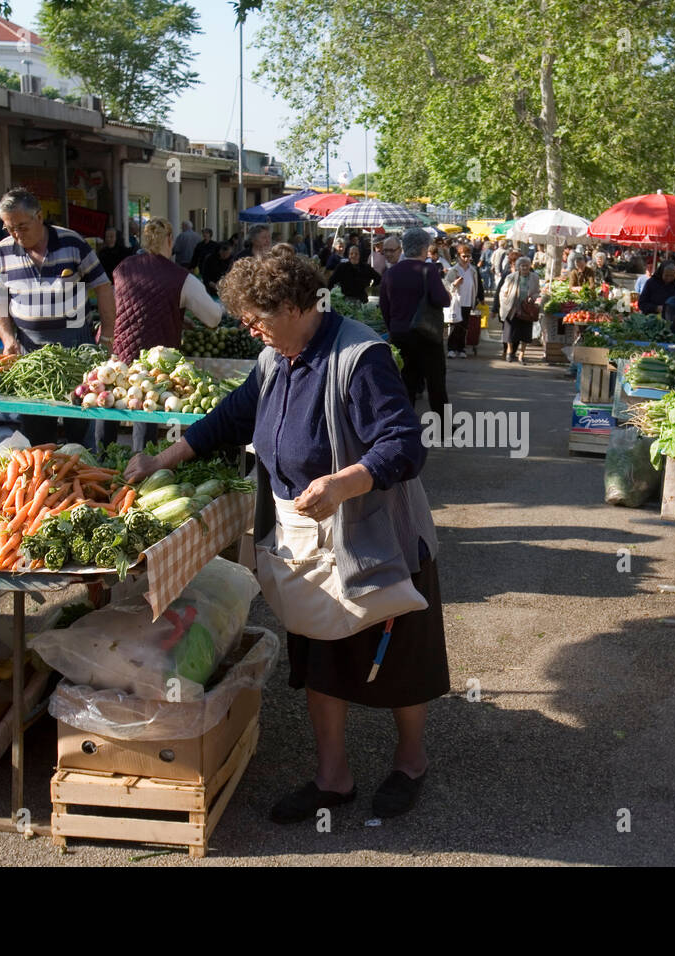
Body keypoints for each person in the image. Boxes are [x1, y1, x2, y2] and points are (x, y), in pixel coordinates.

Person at [122, 248, 447, 822]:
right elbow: (230, 417)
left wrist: (342, 484)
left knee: (396, 656)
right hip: (306, 538)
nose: (251, 330)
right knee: (320, 652)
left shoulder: (358, 356)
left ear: (296, 307)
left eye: (257, 319)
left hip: (376, 536)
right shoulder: (275, 360)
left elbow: (404, 444)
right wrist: (162, 461)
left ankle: (412, 762)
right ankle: (333, 777)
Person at [0, 187, 114, 446]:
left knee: (79, 424)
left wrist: (108, 336)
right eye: (9, 228)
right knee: (36, 432)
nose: (16, 234)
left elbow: (103, 287)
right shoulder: (1, 253)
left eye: (22, 226)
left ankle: (84, 477)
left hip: (76, 351)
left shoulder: (72, 243)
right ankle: (44, 481)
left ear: (40, 217)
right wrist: (8, 339)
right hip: (30, 354)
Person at [92, 217, 223, 453]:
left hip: (117, 349)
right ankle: (142, 464)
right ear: (170, 240)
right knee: (147, 405)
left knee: (108, 400)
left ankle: (102, 462)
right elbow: (213, 317)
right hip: (154, 359)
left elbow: (124, 304)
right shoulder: (181, 277)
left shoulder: (123, 267)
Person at [380, 227, 450, 410]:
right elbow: (441, 299)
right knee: (436, 383)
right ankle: (442, 425)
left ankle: (405, 425)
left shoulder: (390, 273)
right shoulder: (429, 270)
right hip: (427, 334)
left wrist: (392, 329)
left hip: (400, 334)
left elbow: (384, 306)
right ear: (423, 248)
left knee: (405, 383)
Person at [444, 242, 483, 358]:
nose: (466, 258)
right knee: (455, 326)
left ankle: (461, 348)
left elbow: (477, 285)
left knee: (464, 327)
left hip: (468, 301)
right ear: (458, 256)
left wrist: (479, 298)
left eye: (468, 256)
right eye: (464, 256)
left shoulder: (473, 270)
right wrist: (454, 284)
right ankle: (451, 348)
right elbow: (446, 284)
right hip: (456, 302)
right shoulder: (454, 270)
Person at [499, 256, 541, 364]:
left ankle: (521, 355)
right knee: (510, 331)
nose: (525, 268)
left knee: (525, 332)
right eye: (522, 265)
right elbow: (503, 291)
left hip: (527, 308)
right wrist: (506, 301)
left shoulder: (534, 277)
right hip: (513, 307)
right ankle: (509, 351)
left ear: (529, 266)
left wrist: (534, 298)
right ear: (518, 267)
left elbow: (537, 292)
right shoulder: (511, 277)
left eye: (527, 265)